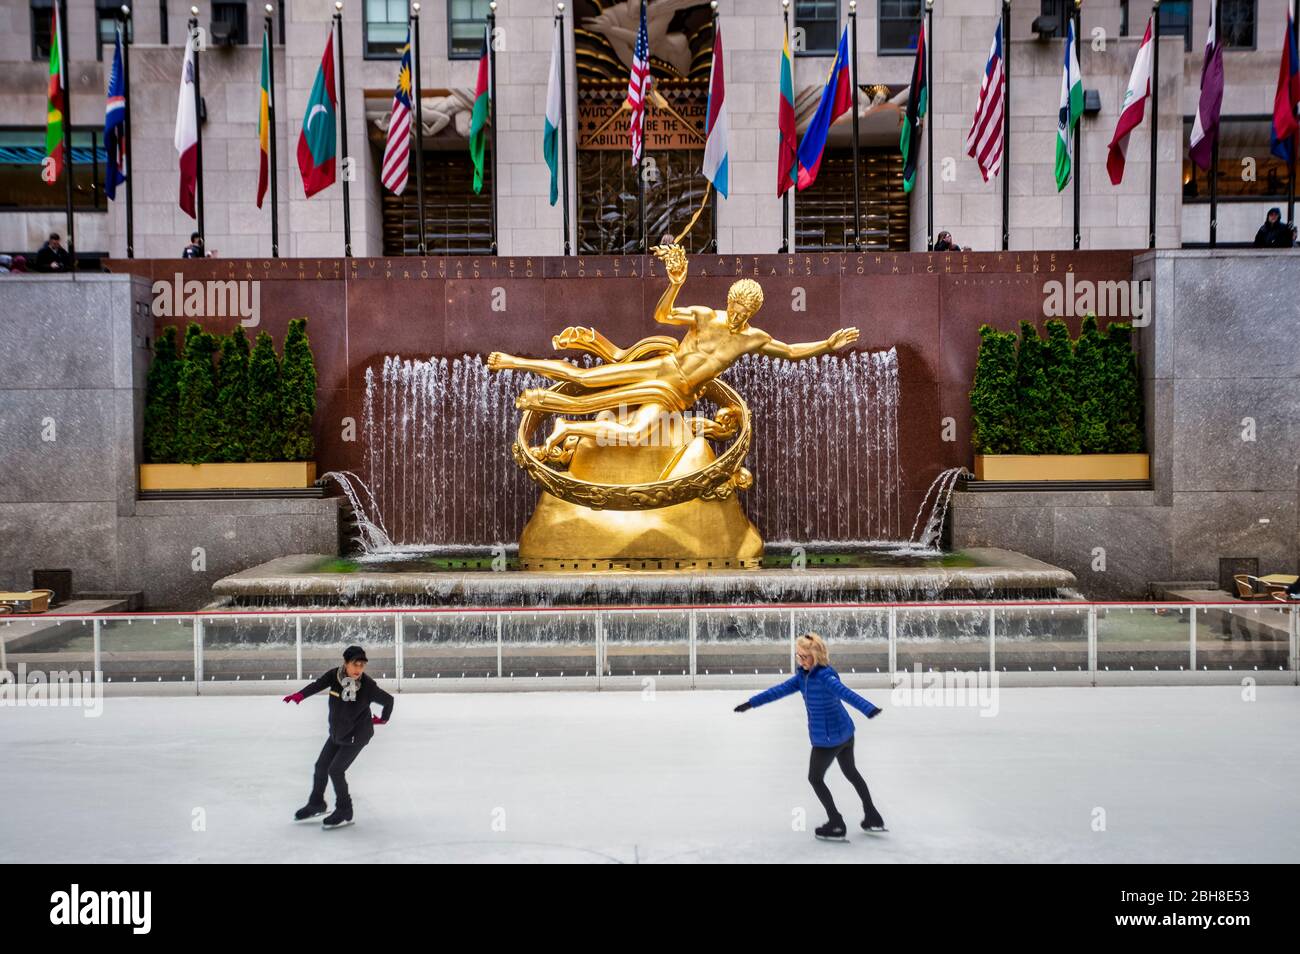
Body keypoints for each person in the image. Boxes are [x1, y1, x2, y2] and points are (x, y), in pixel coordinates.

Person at [734, 632, 885, 841]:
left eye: (805, 657)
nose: (801, 661)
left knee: (815, 778)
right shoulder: (802, 677)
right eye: (799, 656)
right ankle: (873, 816)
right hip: (846, 732)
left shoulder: (825, 676)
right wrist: (751, 703)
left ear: (817, 656)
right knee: (851, 772)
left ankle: (836, 823)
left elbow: (845, 692)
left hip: (829, 739)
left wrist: (869, 709)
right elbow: (778, 691)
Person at [283, 645, 394, 829]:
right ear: (345, 663)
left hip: (357, 736)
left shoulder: (367, 686)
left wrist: (383, 719)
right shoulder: (334, 676)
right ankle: (316, 803)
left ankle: (345, 809)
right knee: (321, 766)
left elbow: (389, 700)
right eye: (355, 664)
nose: (358, 669)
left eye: (362, 665)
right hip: (337, 733)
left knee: (335, 770)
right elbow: (317, 684)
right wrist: (300, 695)